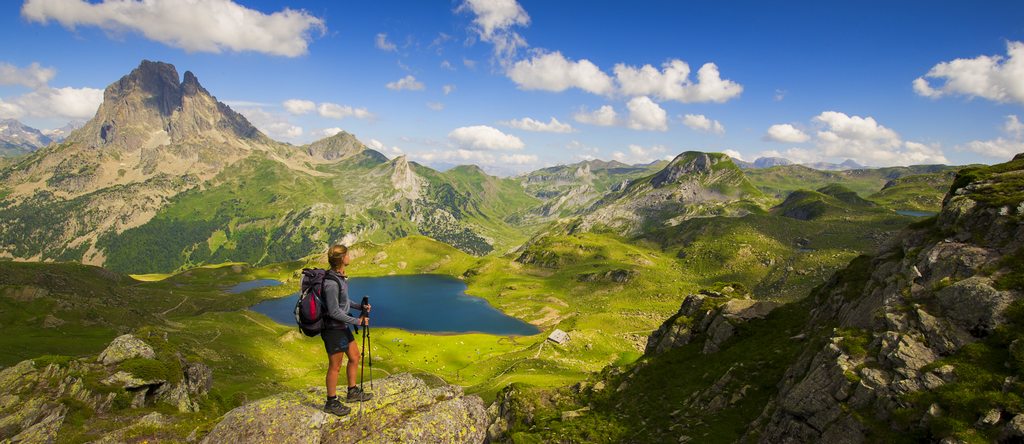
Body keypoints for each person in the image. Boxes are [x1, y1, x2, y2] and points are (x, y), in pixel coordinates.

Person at [322, 244, 372, 417]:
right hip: (333, 329)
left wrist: (360, 307)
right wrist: (358, 321)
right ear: (342, 258)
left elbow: (344, 301)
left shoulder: (340, 277)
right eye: (348, 255)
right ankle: (331, 402)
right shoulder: (331, 283)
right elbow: (334, 311)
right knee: (335, 366)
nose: (350, 257)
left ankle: (352, 392)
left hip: (341, 327)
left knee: (355, 356)